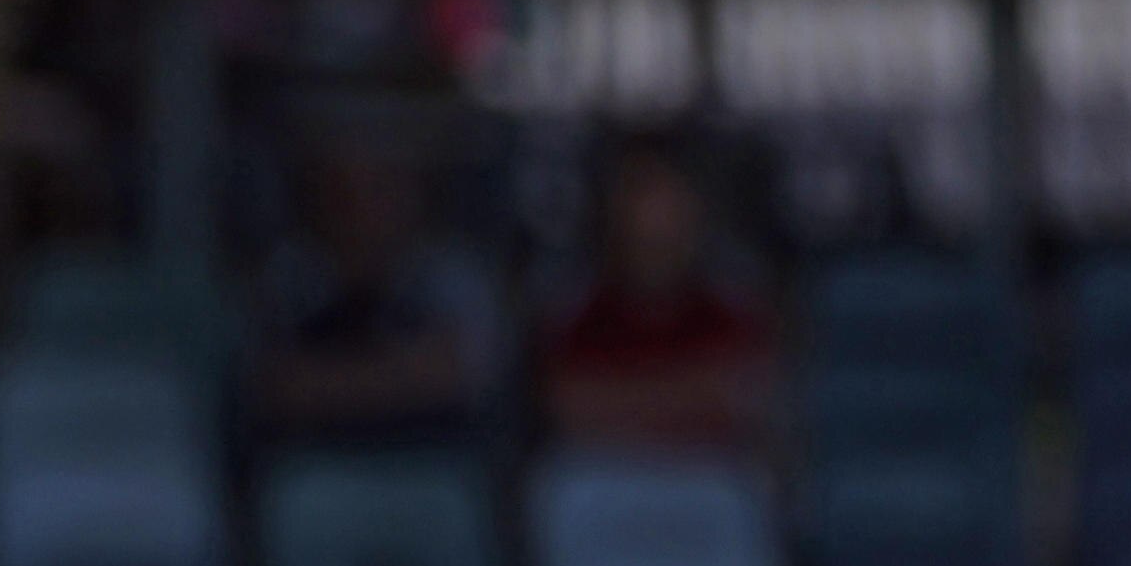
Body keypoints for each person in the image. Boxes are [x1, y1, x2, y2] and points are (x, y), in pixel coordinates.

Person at [252, 147, 502, 455]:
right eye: (344, 194)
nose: (362, 211)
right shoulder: (293, 274)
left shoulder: (452, 273)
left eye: (379, 190)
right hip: (317, 462)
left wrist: (331, 384)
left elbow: (454, 373)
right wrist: (398, 376)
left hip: (434, 461)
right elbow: (278, 387)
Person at [539, 141, 778, 460]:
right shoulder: (576, 303)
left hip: (706, 465)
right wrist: (686, 393)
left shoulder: (734, 299)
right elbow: (567, 403)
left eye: (668, 203)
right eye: (641, 200)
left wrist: (620, 395)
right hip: (604, 464)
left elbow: (741, 395)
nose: (655, 222)